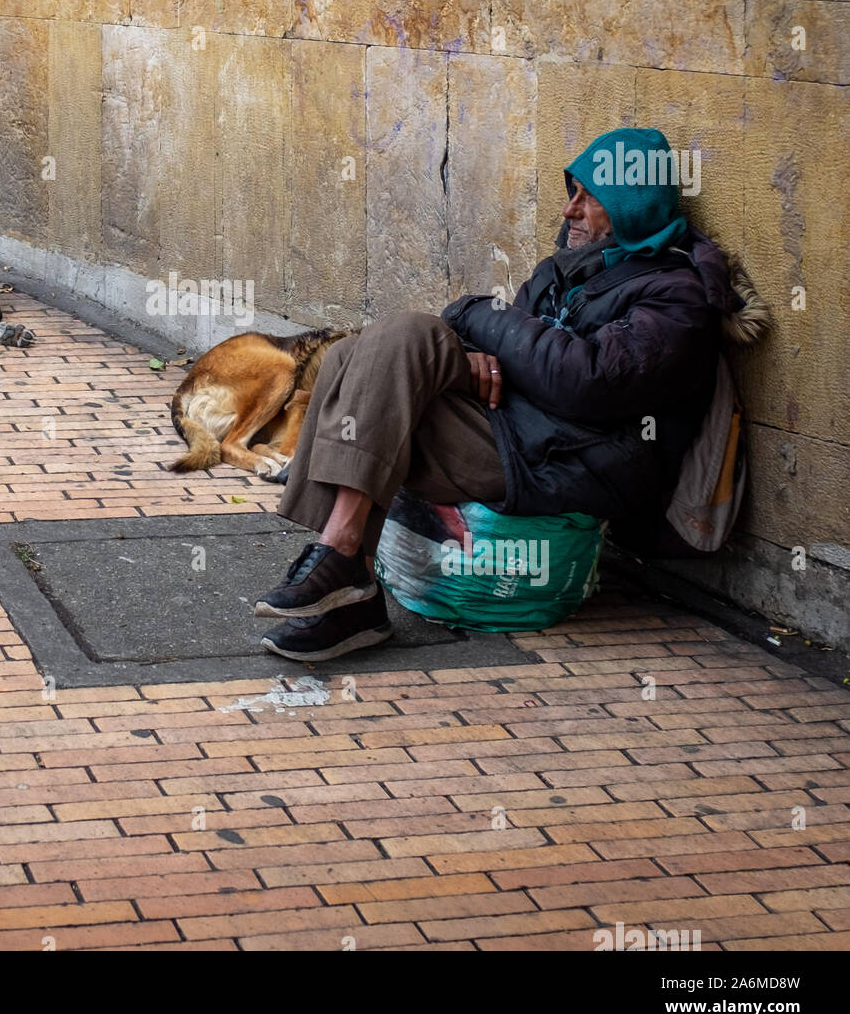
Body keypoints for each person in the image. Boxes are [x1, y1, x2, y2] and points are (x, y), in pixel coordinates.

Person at [260, 126, 743, 662]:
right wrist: (466, 357)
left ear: (633, 203)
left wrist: (473, 311)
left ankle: (339, 556)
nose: (570, 211)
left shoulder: (677, 296)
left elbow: (585, 382)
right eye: (571, 193)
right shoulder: (563, 270)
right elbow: (509, 356)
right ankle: (352, 591)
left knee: (406, 336)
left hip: (569, 459)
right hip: (517, 429)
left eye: (590, 197)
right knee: (356, 355)